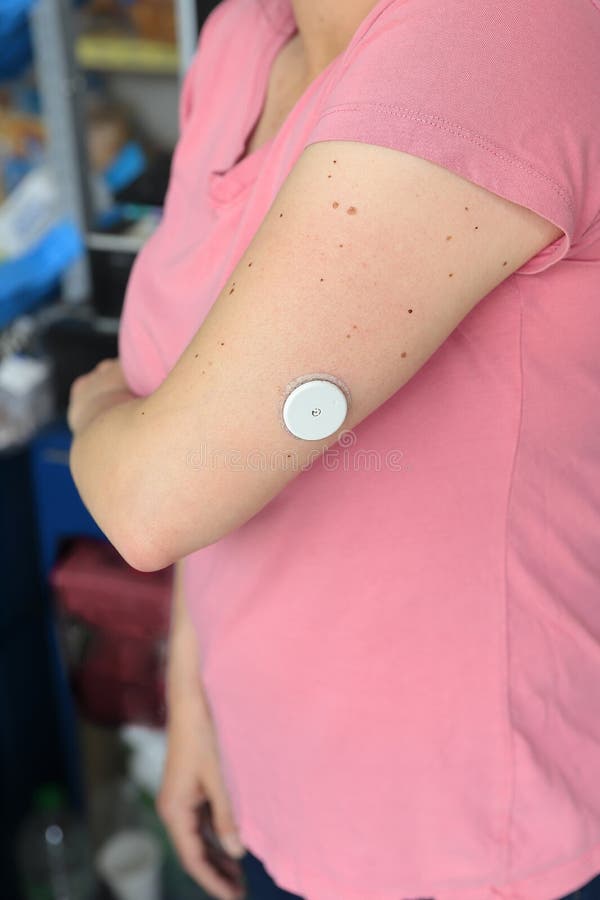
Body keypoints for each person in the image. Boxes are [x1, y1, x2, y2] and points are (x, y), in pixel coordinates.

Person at [66, 0, 600, 897]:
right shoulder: (245, 37)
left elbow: (155, 500)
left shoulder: (502, 36)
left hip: (466, 837)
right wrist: (194, 692)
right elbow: (211, 426)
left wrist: (95, 408)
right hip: (276, 780)